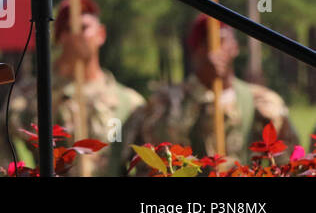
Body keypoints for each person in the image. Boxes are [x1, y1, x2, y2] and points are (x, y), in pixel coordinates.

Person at [124, 14, 296, 173]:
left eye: (220, 41)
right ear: (194, 52)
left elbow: (288, 164)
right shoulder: (164, 102)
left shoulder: (263, 102)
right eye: (205, 44)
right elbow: (155, 155)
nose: (213, 51)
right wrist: (200, 91)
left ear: (235, 47)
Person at [2, 0, 144, 176]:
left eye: (84, 28)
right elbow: (11, 139)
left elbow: (144, 166)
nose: (77, 35)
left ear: (101, 34)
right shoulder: (33, 95)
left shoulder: (130, 103)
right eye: (69, 29)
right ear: (59, 38)